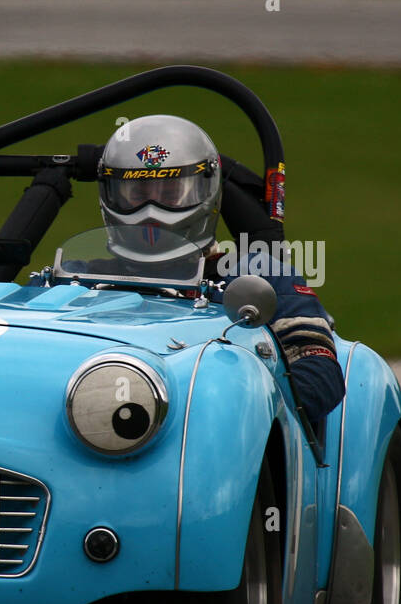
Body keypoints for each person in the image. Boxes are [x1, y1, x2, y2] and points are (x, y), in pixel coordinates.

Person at [97, 115, 344, 421]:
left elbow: (320, 373)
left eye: (171, 193)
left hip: (232, 433)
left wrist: (242, 409)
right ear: (111, 194)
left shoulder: (261, 275)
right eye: (137, 193)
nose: (151, 210)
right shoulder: (75, 279)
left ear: (206, 191)